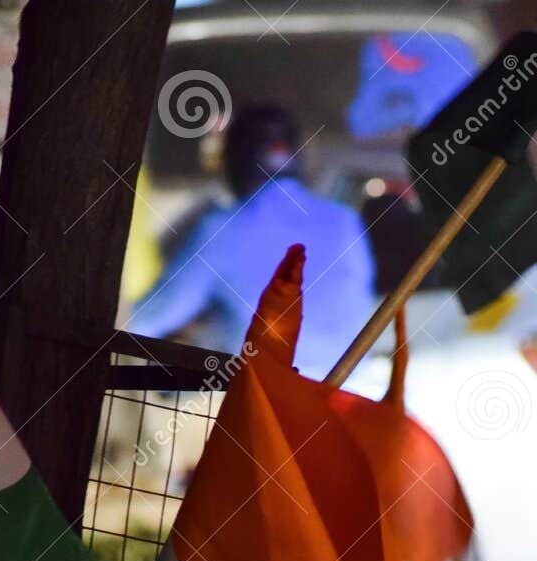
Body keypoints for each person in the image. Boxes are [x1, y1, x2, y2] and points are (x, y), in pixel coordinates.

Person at [127, 105, 376, 378]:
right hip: (349, 393)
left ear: (234, 161)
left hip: (267, 400)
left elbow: (151, 317)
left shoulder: (223, 228)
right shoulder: (346, 221)